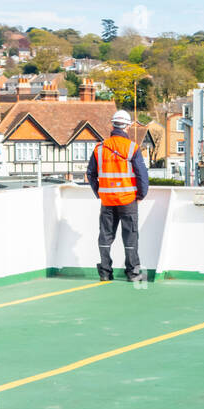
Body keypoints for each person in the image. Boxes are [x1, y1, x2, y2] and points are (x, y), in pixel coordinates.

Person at [87, 109, 149, 281]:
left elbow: (90, 173)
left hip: (107, 200)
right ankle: (133, 274)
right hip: (128, 199)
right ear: (128, 126)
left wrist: (99, 192)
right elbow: (142, 175)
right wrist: (141, 194)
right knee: (130, 236)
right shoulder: (132, 148)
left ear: (113, 125)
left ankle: (105, 273)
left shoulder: (99, 149)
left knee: (105, 235)